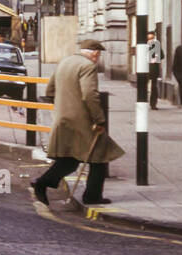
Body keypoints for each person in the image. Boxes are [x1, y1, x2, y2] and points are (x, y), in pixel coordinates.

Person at [31, 40, 124, 206]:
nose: (98, 58)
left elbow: (50, 91)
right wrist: (99, 119)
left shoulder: (64, 62)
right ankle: (92, 196)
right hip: (82, 121)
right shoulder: (88, 66)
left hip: (63, 119)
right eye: (98, 54)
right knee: (100, 156)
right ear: (95, 53)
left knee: (70, 160)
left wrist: (63, 107)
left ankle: (42, 183)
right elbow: (89, 94)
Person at [146, 31, 163, 110]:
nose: (150, 40)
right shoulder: (144, 45)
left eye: (152, 38)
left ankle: (153, 103)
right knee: (144, 86)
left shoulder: (156, 45)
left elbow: (162, 56)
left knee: (153, 87)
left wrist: (156, 57)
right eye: (149, 38)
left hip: (153, 68)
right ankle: (144, 101)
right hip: (145, 68)